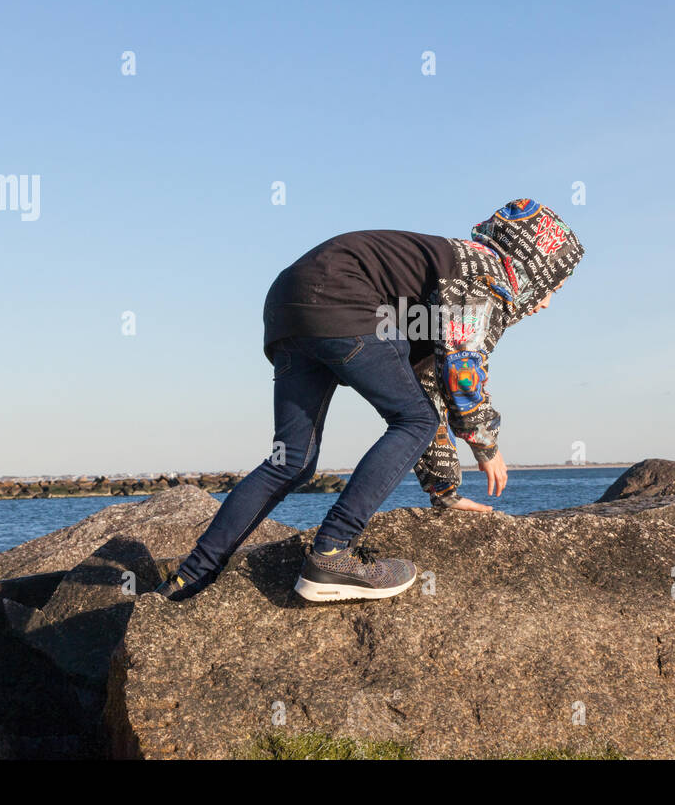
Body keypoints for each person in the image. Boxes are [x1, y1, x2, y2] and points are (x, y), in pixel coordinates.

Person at [154, 198, 584, 602]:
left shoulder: (443, 273)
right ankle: (330, 557)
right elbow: (462, 371)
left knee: (290, 461)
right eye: (551, 288)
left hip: (289, 304)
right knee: (410, 422)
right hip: (343, 298)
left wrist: (445, 493)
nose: (545, 302)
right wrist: (485, 445)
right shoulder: (480, 271)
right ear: (533, 265)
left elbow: (429, 392)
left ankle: (190, 578)